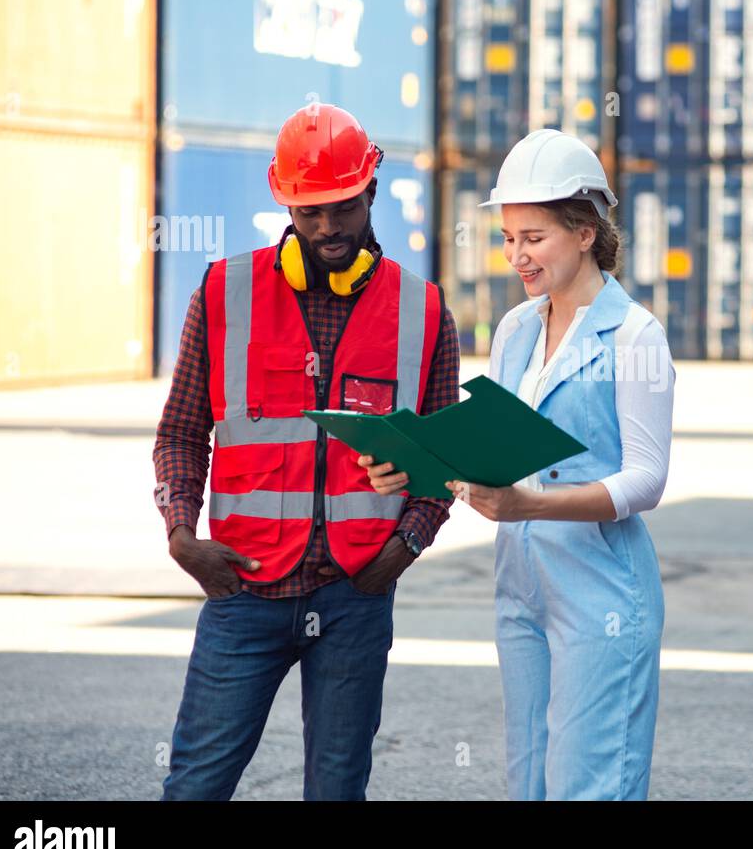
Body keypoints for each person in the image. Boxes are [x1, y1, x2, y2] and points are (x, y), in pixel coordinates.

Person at [153, 103, 460, 800]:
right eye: (309, 210)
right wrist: (180, 535)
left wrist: (404, 547)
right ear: (284, 202)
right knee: (196, 784)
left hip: (356, 594)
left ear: (371, 191)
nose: (327, 227)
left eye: (343, 207)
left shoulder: (424, 312)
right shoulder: (223, 292)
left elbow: (438, 463)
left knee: (336, 788)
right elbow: (179, 430)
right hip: (243, 588)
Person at [366, 128, 675, 800]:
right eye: (508, 238)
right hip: (521, 587)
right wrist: (417, 465)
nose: (515, 256)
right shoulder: (514, 332)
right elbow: (491, 454)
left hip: (602, 594)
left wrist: (530, 504)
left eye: (533, 237)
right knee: (529, 782)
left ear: (586, 230)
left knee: (587, 785)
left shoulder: (635, 336)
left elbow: (647, 478)